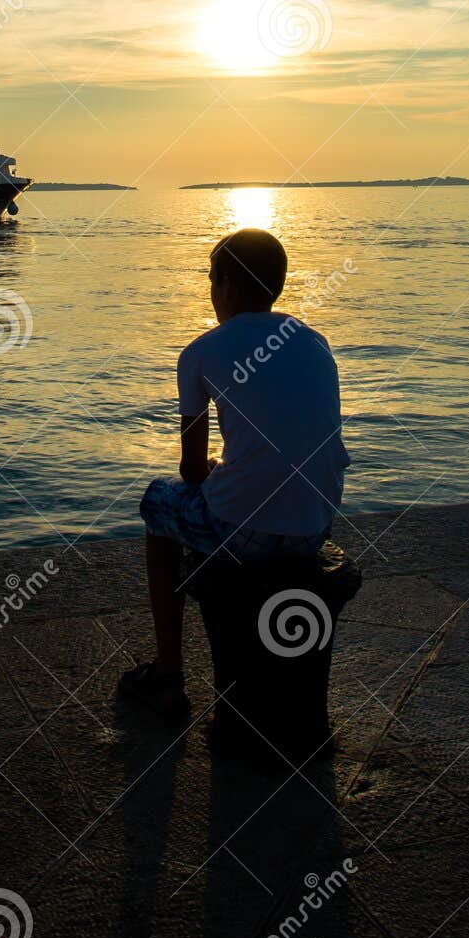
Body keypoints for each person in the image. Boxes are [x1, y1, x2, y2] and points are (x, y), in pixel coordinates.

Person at [119, 228, 350, 716]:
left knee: (157, 502)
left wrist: (212, 472)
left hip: (246, 532)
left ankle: (168, 673)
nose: (211, 289)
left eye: (211, 279)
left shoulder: (200, 351)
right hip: (314, 526)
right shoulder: (315, 342)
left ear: (224, 285)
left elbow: (190, 471)